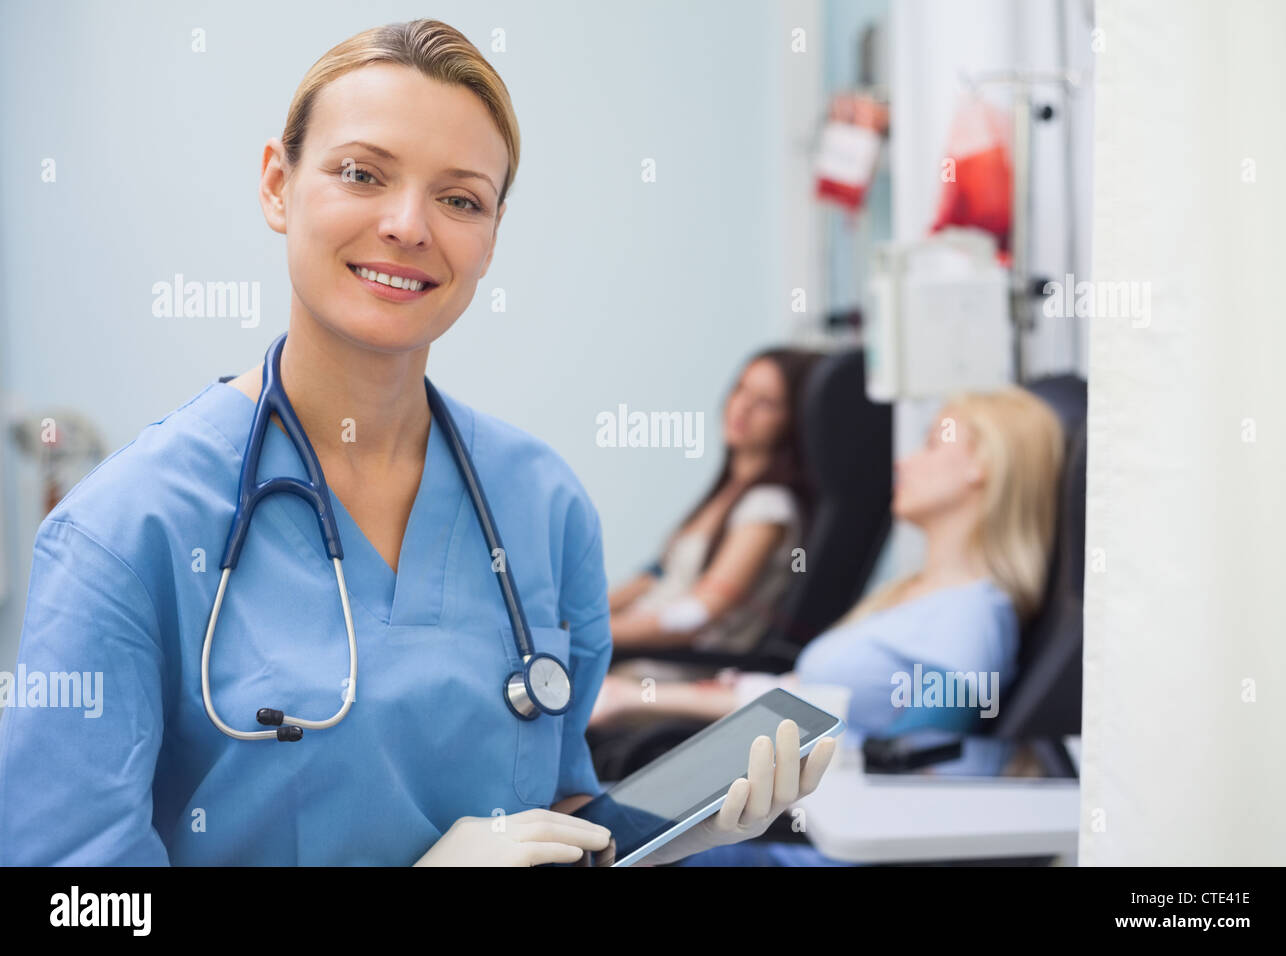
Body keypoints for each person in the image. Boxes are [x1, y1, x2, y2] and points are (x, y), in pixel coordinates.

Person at [0, 18, 834, 866]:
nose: (408, 225)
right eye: (362, 174)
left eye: (461, 198)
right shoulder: (125, 528)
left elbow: (554, 806)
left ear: (493, 234)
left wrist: (674, 832)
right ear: (277, 185)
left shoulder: (542, 505)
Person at [590, 385, 1065, 864]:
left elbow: (920, 775)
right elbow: (809, 701)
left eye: (933, 445)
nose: (904, 463)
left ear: (982, 466)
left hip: (817, 847)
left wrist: (638, 699)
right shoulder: (910, 595)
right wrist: (635, 699)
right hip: (803, 821)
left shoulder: (969, 619)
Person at [607, 348, 821, 683]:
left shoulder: (767, 508)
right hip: (632, 653)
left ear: (791, 420)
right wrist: (573, 617)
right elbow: (655, 576)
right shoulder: (726, 493)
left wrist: (591, 633)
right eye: (740, 389)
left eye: (765, 402)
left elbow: (696, 616)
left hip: (665, 671)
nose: (742, 407)